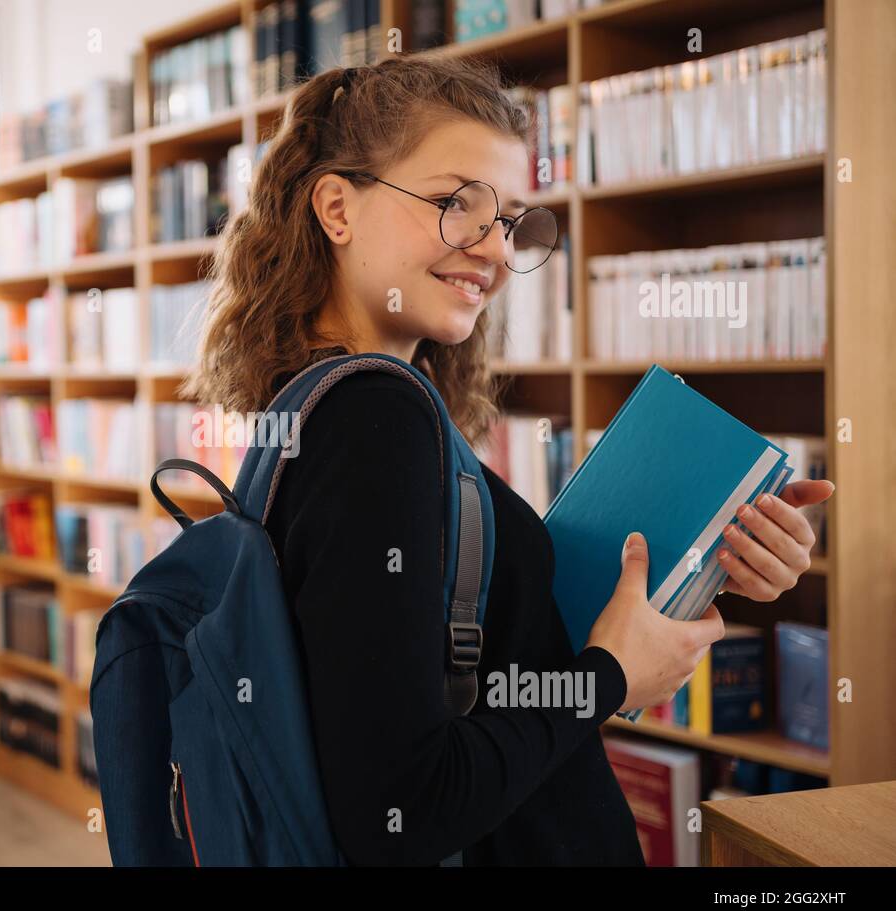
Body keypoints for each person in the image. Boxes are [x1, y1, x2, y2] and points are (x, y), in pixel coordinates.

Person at [180, 53, 834, 866]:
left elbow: (470, 675)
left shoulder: (336, 405)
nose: (492, 249)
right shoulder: (371, 421)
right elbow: (400, 809)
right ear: (337, 207)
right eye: (457, 204)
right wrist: (608, 679)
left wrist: (705, 564)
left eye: (511, 220)